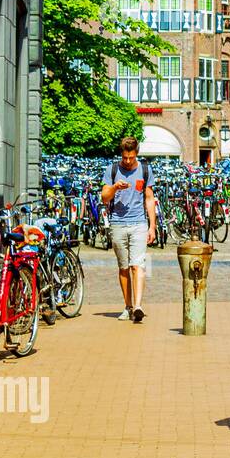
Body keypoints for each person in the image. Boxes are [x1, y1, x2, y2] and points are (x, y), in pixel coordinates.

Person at [100, 137, 157, 323]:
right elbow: (104, 198)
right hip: (117, 223)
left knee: (137, 264)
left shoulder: (145, 170)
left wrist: (152, 226)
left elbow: (149, 198)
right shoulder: (113, 169)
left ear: (136, 154)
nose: (127, 161)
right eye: (125, 157)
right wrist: (115, 187)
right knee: (123, 268)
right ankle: (128, 306)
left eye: (131, 158)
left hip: (139, 223)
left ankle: (138, 306)